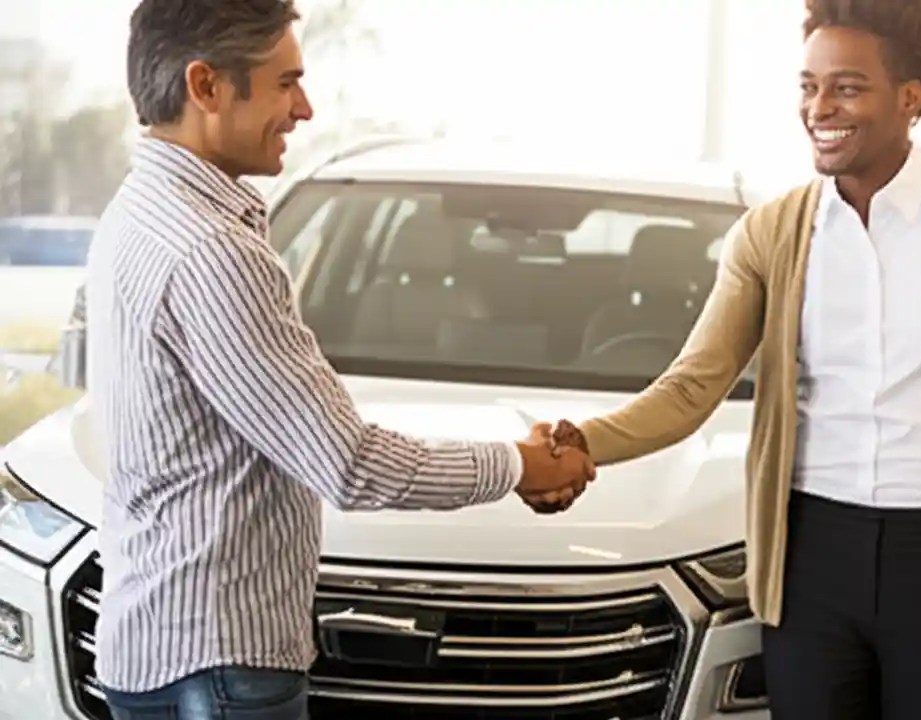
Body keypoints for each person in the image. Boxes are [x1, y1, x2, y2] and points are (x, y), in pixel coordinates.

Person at [545, 0, 921, 716]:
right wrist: (582, 444)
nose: (820, 107)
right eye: (808, 85)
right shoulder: (772, 232)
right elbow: (693, 386)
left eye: (847, 87)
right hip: (811, 560)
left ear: (910, 98)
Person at [88, 2, 593, 718]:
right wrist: (521, 464)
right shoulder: (211, 252)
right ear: (206, 86)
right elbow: (349, 464)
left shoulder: (137, 211)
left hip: (158, 645)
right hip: (219, 663)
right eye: (284, 83)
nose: (305, 107)